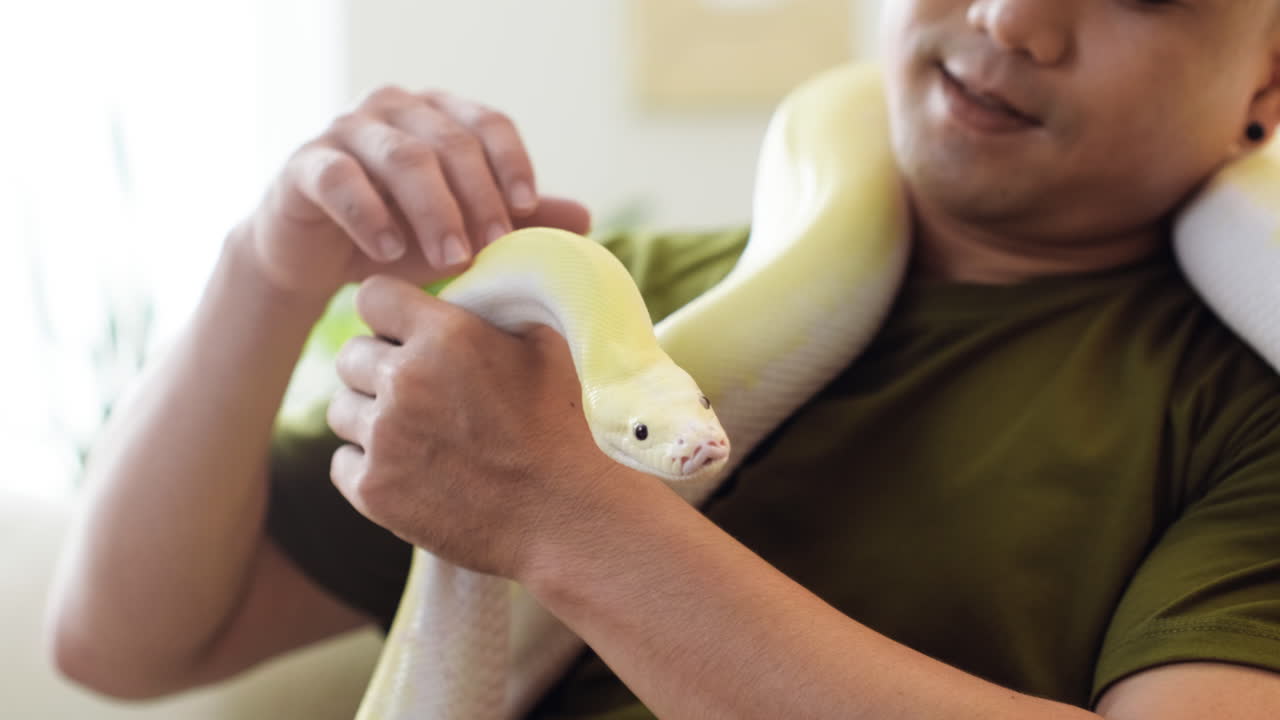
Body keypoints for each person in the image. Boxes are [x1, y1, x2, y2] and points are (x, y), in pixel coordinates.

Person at [46, 1, 1280, 717]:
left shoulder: (1240, 402)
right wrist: (269, 269)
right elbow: (126, 640)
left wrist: (565, 518)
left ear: (1267, 83)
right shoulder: (607, 297)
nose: (1012, 17)